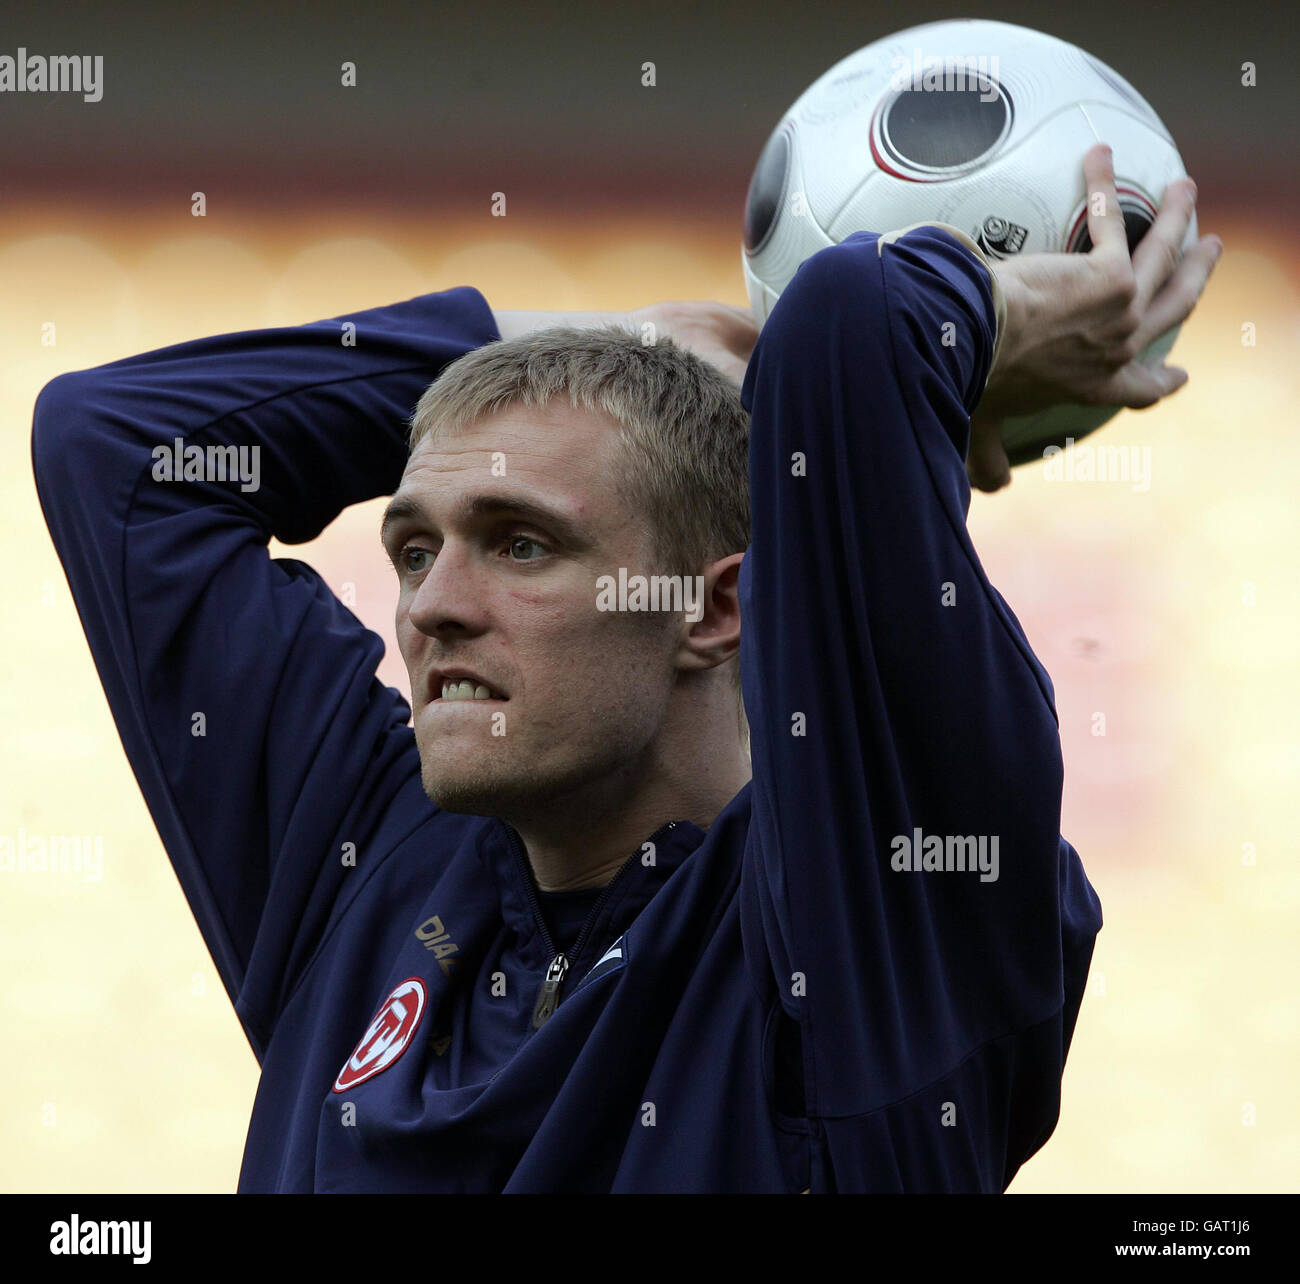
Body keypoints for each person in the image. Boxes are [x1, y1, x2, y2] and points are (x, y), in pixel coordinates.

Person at [31, 144, 1220, 1191]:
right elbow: (121, 448)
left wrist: (978, 316)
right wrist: (607, 353)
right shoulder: (366, 869)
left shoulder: (866, 922)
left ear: (715, 609)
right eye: (410, 549)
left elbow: (847, 319)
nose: (432, 607)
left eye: (522, 543)